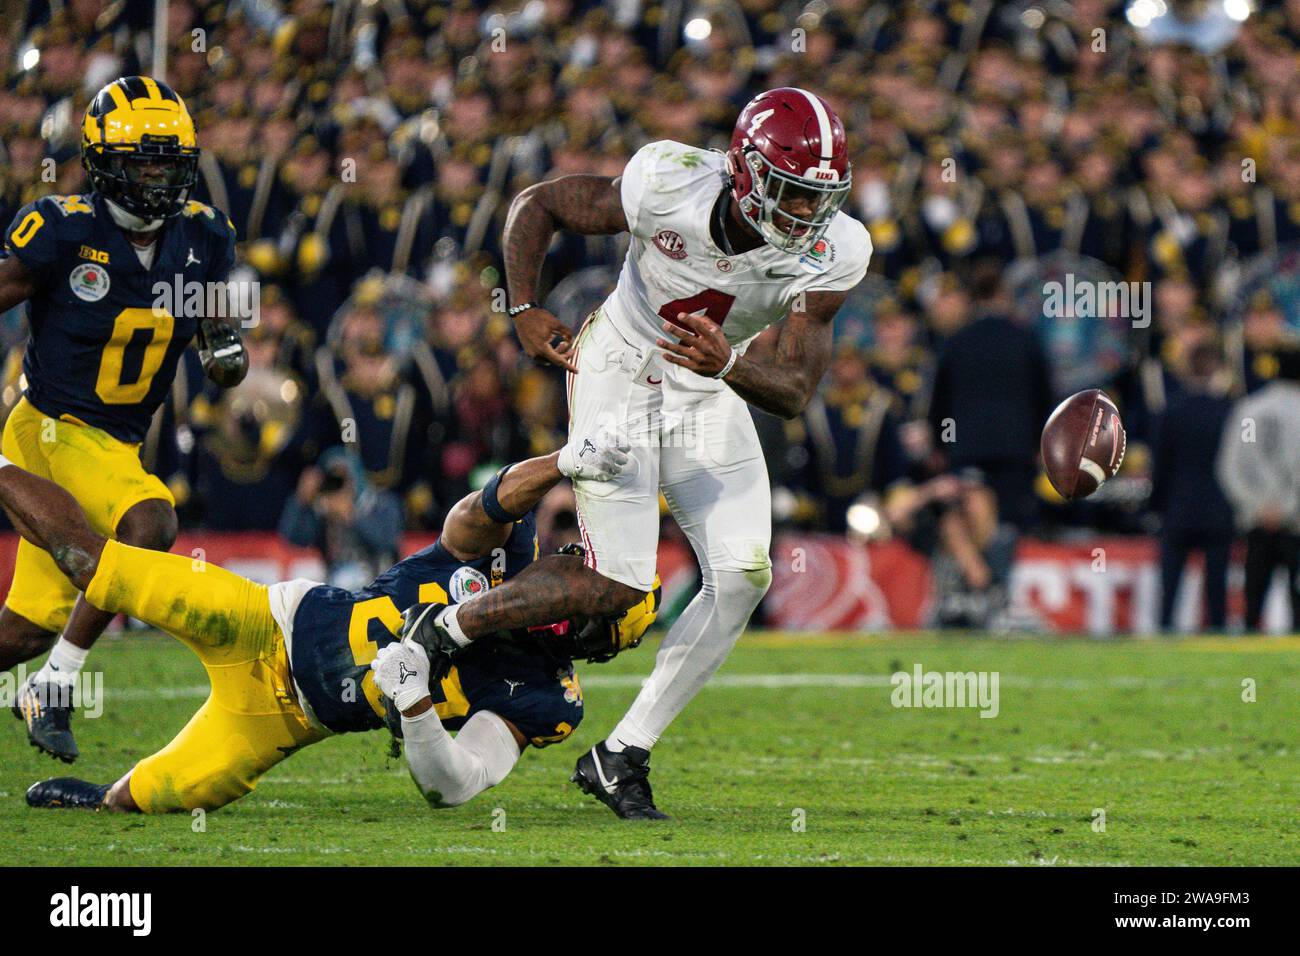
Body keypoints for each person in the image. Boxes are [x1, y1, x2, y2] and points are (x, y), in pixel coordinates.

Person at [408, 88, 871, 818]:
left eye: (819, 197)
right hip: (621, 371)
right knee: (620, 586)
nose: (803, 214)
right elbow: (540, 204)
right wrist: (523, 309)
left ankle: (622, 754)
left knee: (745, 573)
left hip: (708, 391)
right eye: (787, 191)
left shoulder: (838, 248)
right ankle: (446, 628)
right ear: (744, 171)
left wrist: (725, 367)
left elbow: (792, 390)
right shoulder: (669, 182)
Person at [15, 432, 659, 814]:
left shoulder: (551, 700)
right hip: (263, 622)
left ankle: (100, 798)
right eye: (582, 596)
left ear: (601, 646)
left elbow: (455, 786)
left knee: (153, 795)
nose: (571, 614)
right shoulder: (506, 549)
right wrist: (566, 459)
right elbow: (481, 507)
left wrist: (415, 708)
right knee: (91, 564)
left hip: (280, 723)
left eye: (592, 622)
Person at [0, 77, 247, 762]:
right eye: (144, 162)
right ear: (105, 161)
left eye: (170, 163)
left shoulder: (202, 237)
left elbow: (218, 331)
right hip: (50, 430)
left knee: (20, 633)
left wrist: (224, 347)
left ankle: (43, 678)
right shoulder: (64, 228)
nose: (159, 178)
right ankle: (56, 688)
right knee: (150, 522)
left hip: (113, 443)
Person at [1150, 340, 1235, 631]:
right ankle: (1219, 636)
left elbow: (1160, 466)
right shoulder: (1231, 412)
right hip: (1219, 510)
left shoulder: (1172, 411)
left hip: (1178, 507)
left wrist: (1156, 505)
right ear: (1218, 371)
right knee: (1216, 588)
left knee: (1169, 587)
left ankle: (1164, 632)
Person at [1216, 346, 1300, 632]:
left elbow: (1230, 468)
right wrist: (1288, 509)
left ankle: (1247, 670)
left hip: (1256, 521)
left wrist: (1257, 506)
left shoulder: (1249, 408)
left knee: (1253, 605)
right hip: (1295, 524)